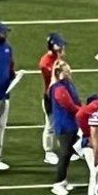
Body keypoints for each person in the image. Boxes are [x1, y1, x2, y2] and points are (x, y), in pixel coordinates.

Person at [47, 61, 81, 195]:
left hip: (71, 123)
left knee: (69, 153)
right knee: (65, 154)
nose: (69, 73)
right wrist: (84, 111)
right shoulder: (59, 89)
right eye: (66, 71)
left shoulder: (67, 85)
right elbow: (70, 107)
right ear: (60, 73)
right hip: (64, 126)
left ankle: (63, 180)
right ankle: (58, 183)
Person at [0, 21, 21, 170]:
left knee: (0, 128)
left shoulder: (7, 48)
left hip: (3, 96)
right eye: (3, 32)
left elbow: (10, 67)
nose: (5, 35)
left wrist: (14, 76)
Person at [37, 32, 66, 166]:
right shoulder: (46, 62)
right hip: (51, 97)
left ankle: (66, 147)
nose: (62, 47)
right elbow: (57, 78)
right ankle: (48, 152)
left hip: (61, 95)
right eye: (59, 45)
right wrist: (60, 62)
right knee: (50, 126)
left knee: (64, 123)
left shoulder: (56, 58)